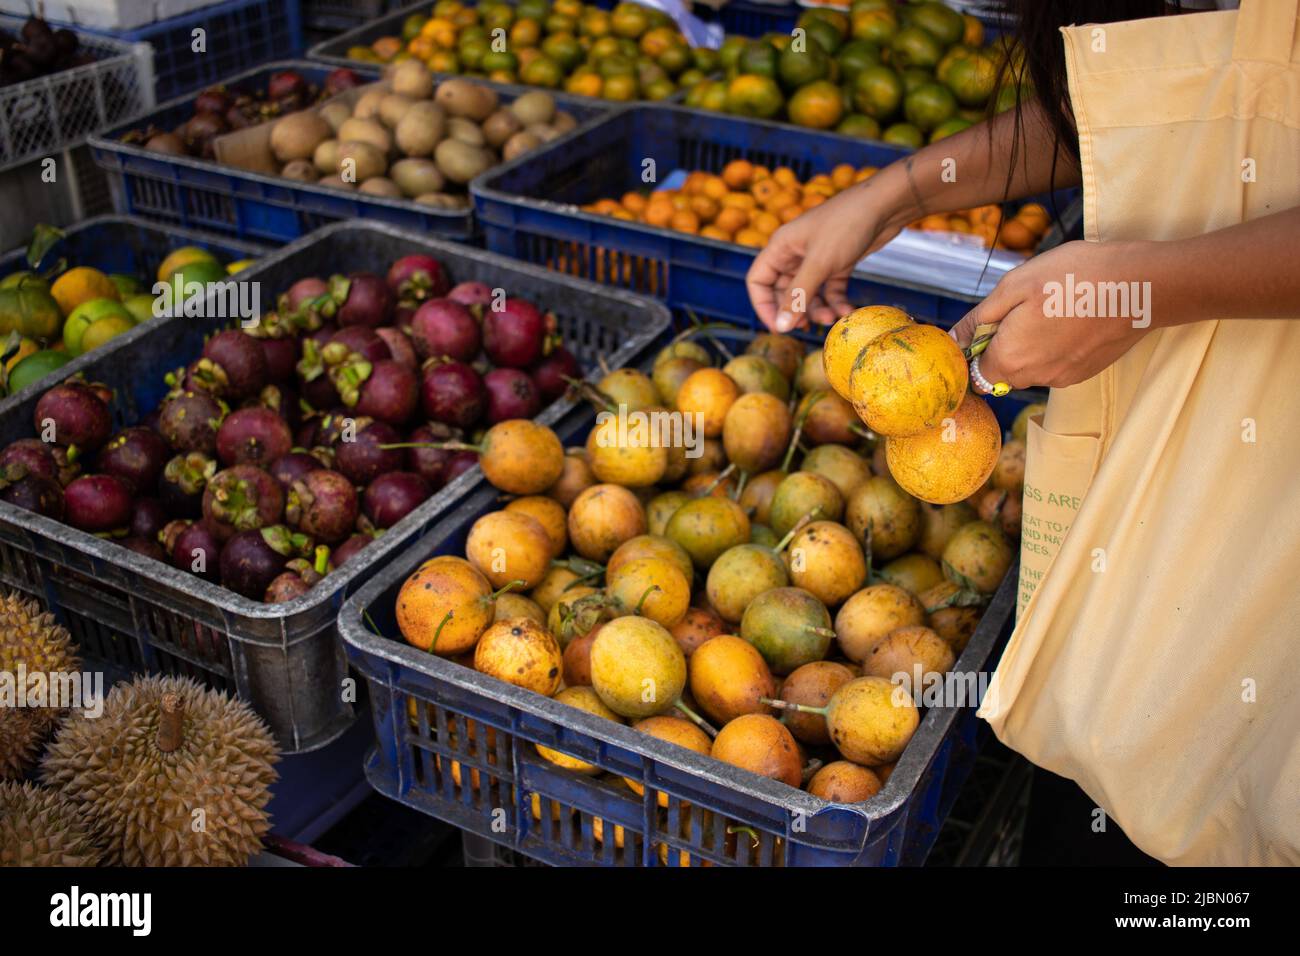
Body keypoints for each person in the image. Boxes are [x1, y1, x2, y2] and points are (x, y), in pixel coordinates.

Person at [748, 0, 1300, 866]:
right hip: (1151, 465)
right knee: (1101, 785)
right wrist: (896, 194)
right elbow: (1160, 95)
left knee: (1229, 810)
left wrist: (1145, 291)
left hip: (1269, 479)